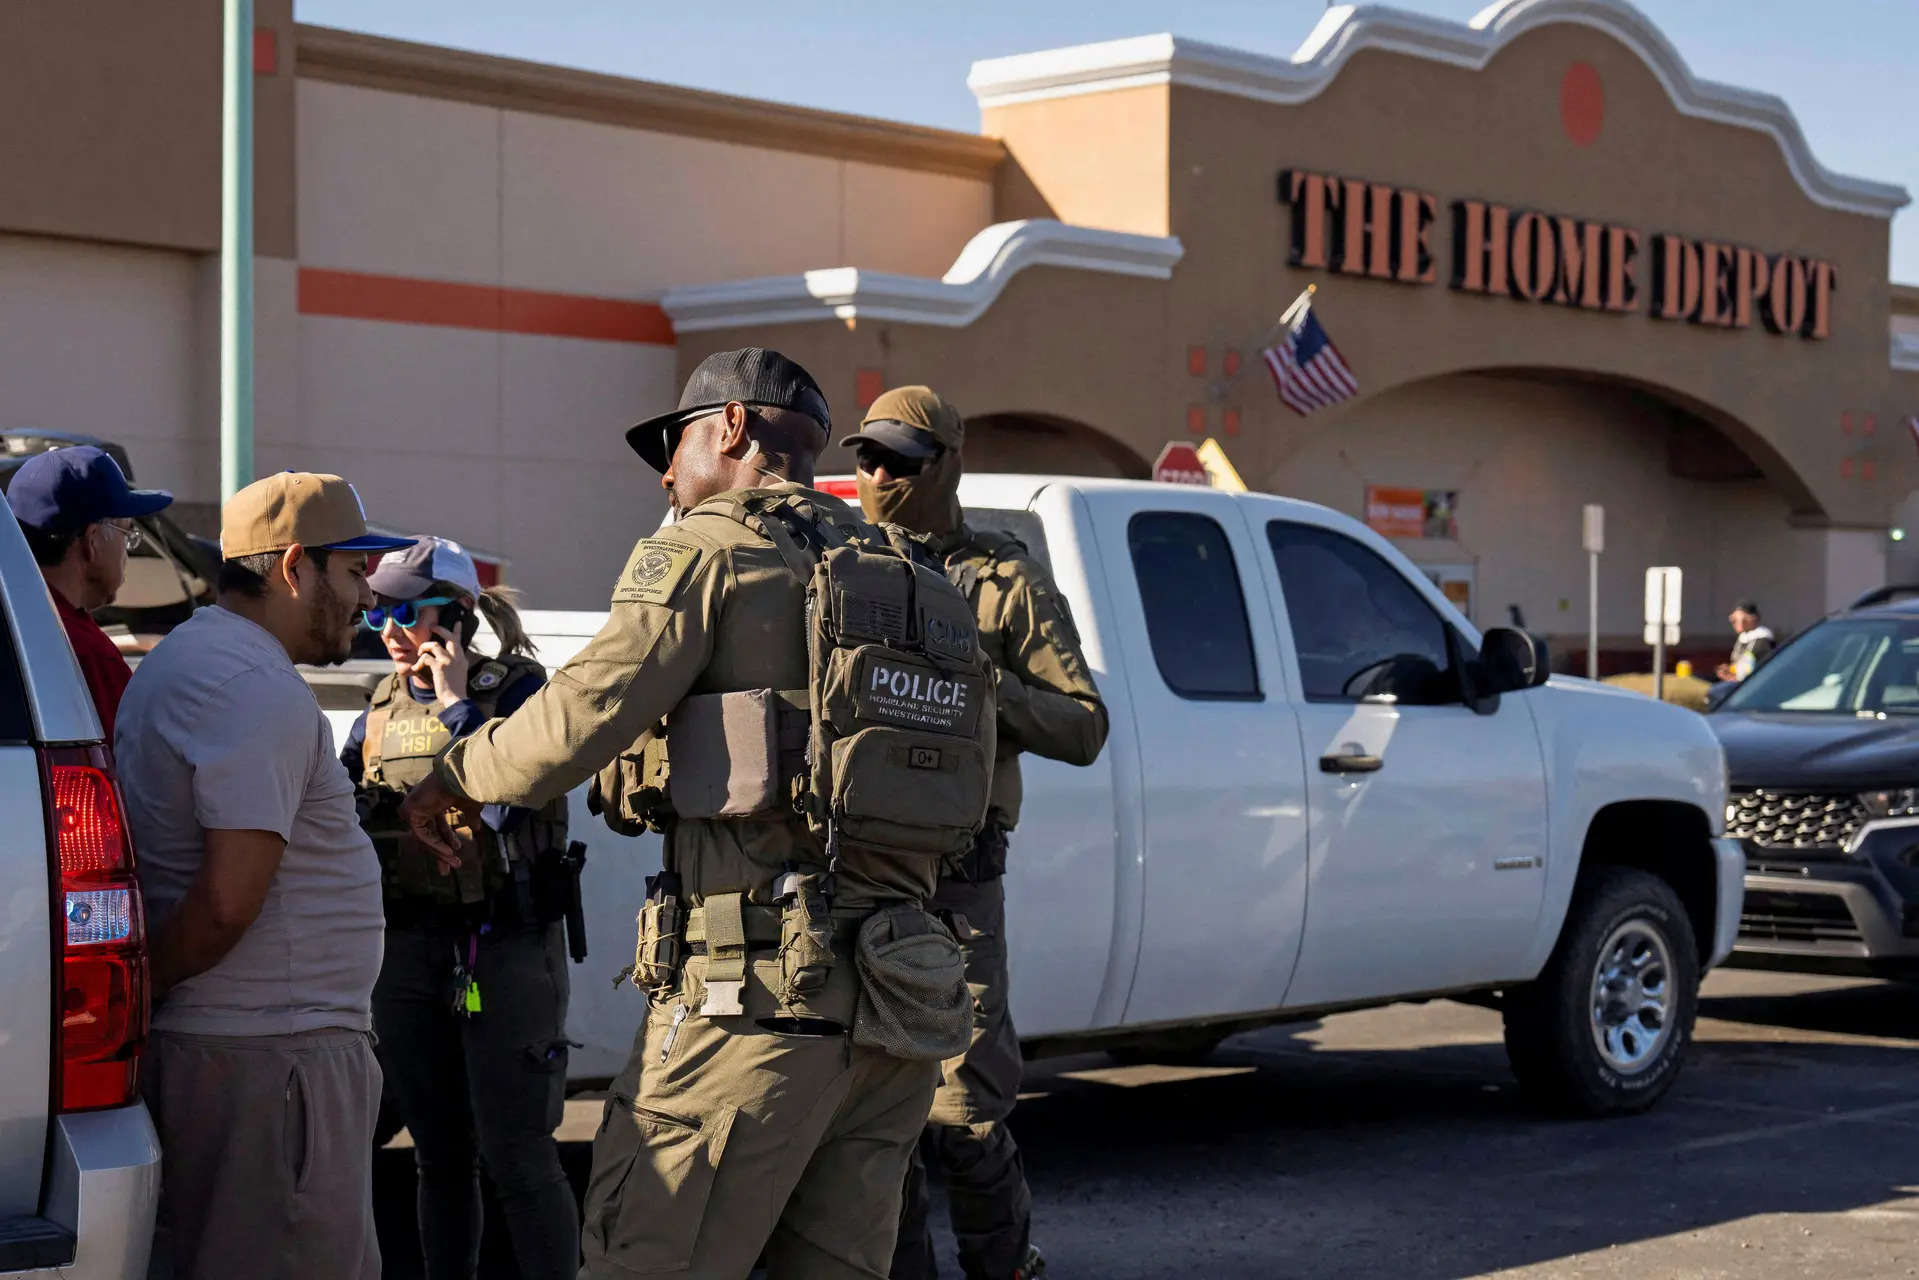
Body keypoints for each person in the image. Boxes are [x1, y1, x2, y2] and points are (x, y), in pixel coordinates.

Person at [398, 347, 992, 1278]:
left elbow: (582, 711)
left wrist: (455, 774)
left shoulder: (710, 548)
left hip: (751, 1003)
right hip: (900, 1004)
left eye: (671, 449)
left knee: (646, 1257)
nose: (667, 476)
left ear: (729, 429)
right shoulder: (917, 581)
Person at [116, 472, 414, 1280]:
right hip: (271, 1066)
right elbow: (225, 901)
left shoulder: (204, 661)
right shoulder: (250, 686)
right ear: (293, 567)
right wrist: (141, 998)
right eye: (352, 573)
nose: (366, 600)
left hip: (252, 1056)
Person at [847, 388, 1108, 1280]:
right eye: (868, 458)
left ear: (946, 465)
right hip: (859, 870)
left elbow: (1083, 725)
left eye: (901, 461)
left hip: (957, 879)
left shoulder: (1002, 580)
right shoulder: (837, 572)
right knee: (876, 1116)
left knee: (963, 1108)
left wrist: (985, 690)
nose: (879, 476)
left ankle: (1002, 1265)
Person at [340, 535, 580, 1280]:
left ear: (457, 616)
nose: (390, 630)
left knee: (518, 1154)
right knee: (438, 1157)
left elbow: (512, 803)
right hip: (412, 950)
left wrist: (453, 707)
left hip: (504, 946)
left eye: (407, 611)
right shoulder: (375, 711)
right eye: (379, 612)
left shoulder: (516, 694)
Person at [5, 445, 172, 738]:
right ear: (92, 541)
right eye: (127, 533)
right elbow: (127, 773)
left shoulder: (18, 627)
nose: (127, 551)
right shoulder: (85, 655)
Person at [1716, 599, 1776, 682]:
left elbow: (1757, 668)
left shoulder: (1762, 640)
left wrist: (1736, 677)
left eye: (1737, 619)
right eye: (1733, 619)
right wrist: (1730, 670)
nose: (1734, 622)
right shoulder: (1743, 638)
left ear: (1752, 619)